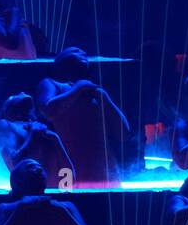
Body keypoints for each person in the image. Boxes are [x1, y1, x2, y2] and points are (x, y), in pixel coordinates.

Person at [35, 47, 130, 186]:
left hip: (104, 165)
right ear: (60, 60)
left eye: (84, 52)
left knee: (108, 199)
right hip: (68, 163)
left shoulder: (97, 93)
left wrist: (105, 99)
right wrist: (78, 88)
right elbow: (48, 110)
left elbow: (124, 134)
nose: (83, 53)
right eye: (75, 51)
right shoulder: (51, 84)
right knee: (68, 195)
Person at [0, 92, 73, 178]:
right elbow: (14, 161)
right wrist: (32, 135)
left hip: (46, 181)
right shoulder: (5, 124)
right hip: (26, 182)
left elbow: (67, 170)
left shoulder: (37, 126)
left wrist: (54, 138)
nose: (22, 92)